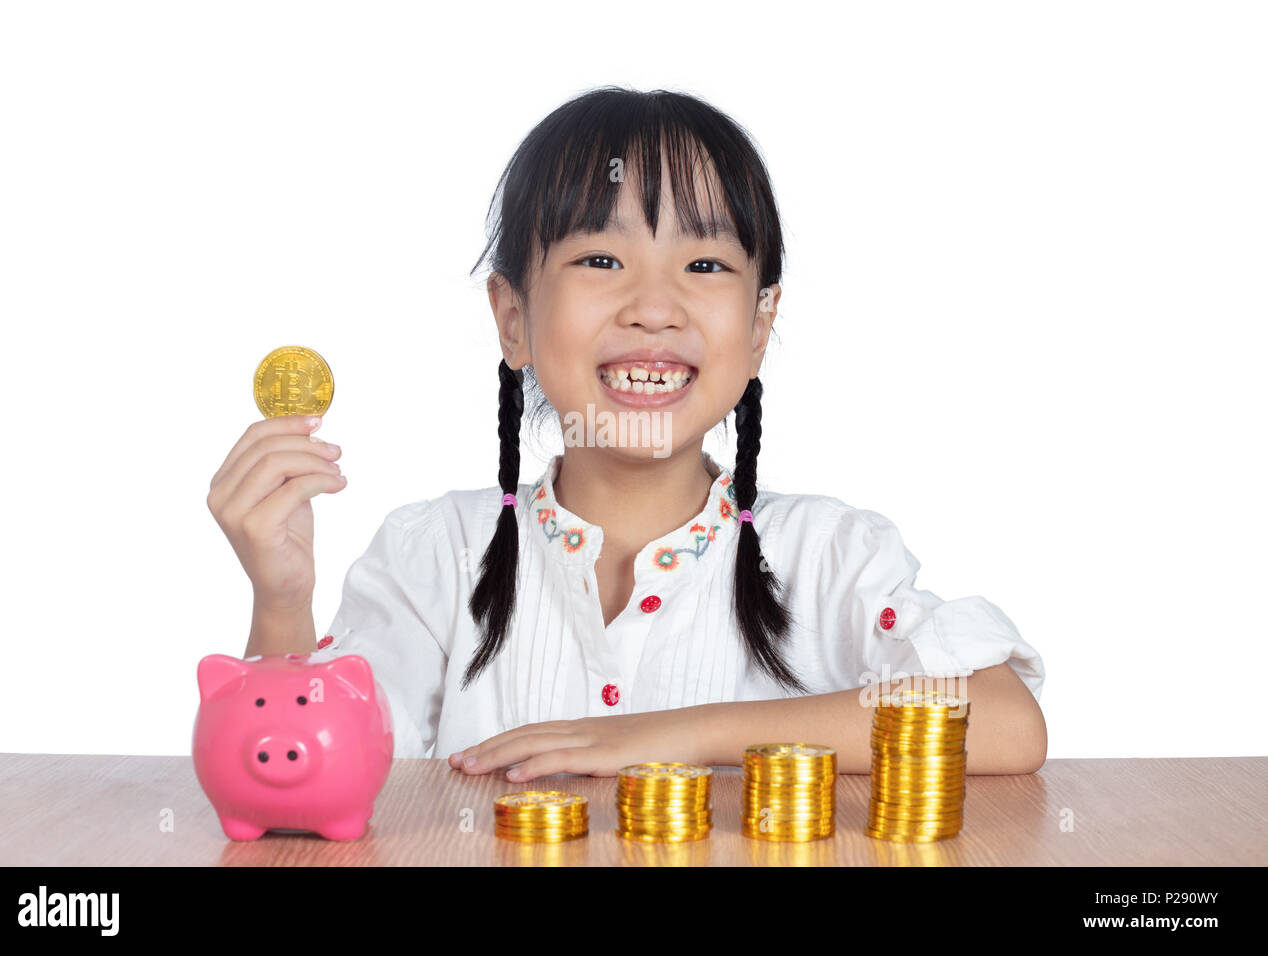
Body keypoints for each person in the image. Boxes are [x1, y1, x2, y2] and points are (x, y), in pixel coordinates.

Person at [207, 86, 1047, 780]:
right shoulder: (431, 556)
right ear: (512, 318)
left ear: (760, 326)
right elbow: (305, 778)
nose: (654, 306)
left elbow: (1005, 721)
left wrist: (671, 735)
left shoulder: (829, 554)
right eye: (601, 260)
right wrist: (281, 600)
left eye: (705, 264)